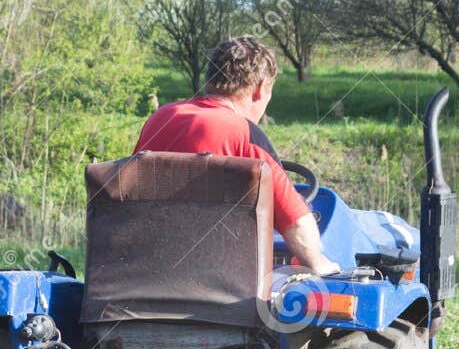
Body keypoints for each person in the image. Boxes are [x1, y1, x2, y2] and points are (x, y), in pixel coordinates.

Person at [134, 35, 341, 277]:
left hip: (146, 273)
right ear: (261, 87)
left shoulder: (161, 117)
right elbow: (296, 223)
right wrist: (319, 263)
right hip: (218, 286)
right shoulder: (243, 132)